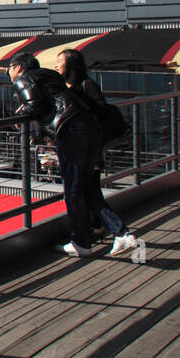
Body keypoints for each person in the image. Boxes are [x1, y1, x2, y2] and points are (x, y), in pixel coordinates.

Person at [8, 51, 104, 257]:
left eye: (9, 68)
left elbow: (36, 105)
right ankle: (103, 231)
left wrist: (22, 115)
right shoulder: (51, 77)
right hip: (86, 128)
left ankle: (86, 240)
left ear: (17, 68)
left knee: (75, 188)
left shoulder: (24, 80)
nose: (56, 65)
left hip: (71, 131)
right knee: (85, 186)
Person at [57, 49, 139, 256]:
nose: (56, 66)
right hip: (84, 148)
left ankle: (119, 234)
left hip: (89, 148)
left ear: (71, 66)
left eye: (60, 62)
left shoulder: (87, 86)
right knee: (89, 191)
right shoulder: (68, 87)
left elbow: (100, 112)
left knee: (87, 191)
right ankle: (106, 230)